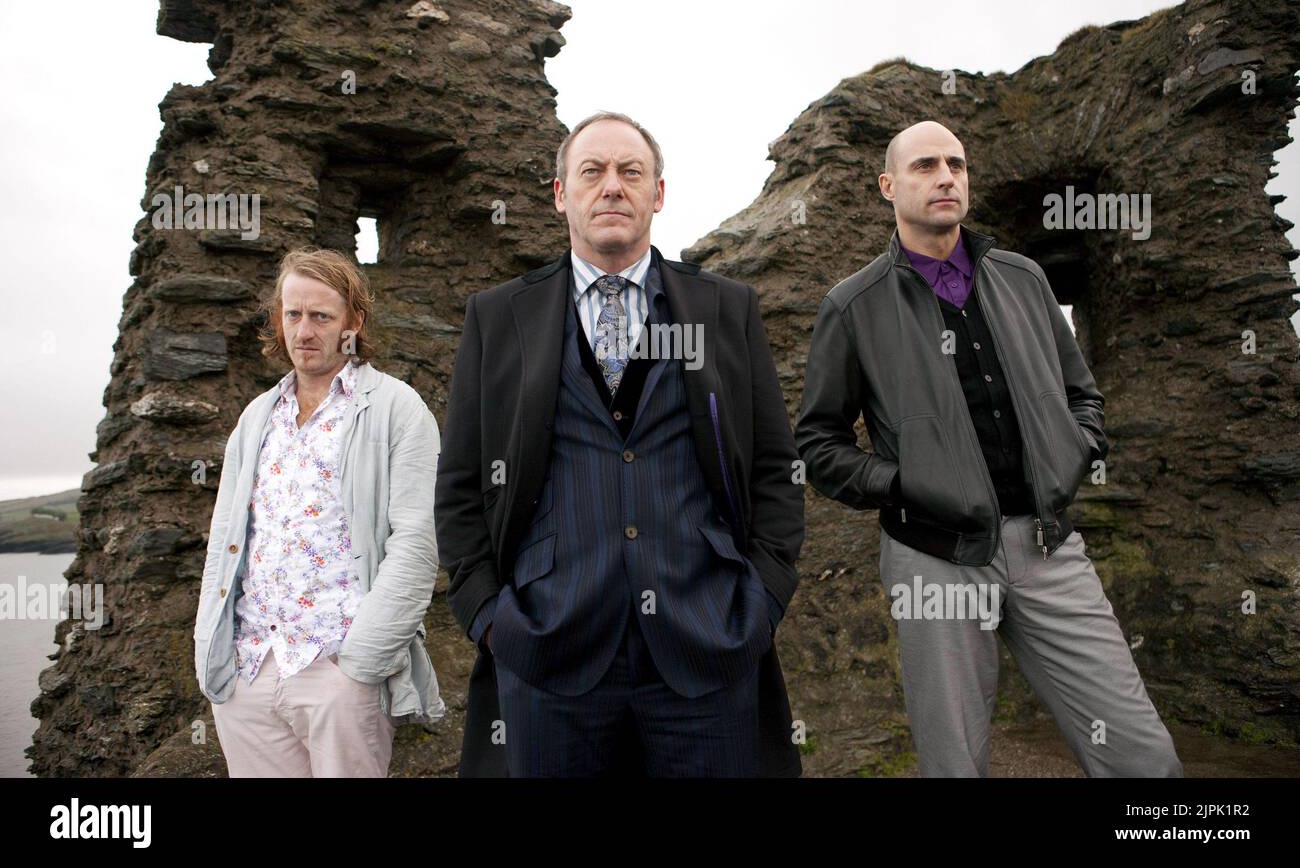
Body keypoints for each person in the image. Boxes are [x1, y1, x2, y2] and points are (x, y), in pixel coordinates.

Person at [795, 120, 1182, 777]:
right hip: (933, 560)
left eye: (956, 164)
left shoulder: (1023, 279)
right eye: (924, 166)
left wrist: (1074, 452)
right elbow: (818, 442)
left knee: (1143, 757)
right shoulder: (853, 305)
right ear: (889, 186)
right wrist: (903, 483)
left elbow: (1081, 394)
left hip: (1049, 548)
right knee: (956, 766)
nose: (946, 176)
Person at [436, 111, 804, 777]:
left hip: (707, 644)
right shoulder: (498, 317)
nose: (613, 187)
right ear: (560, 194)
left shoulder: (724, 308)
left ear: (657, 193)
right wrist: (489, 617)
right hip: (550, 651)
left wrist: (763, 601)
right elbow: (461, 479)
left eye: (630, 172)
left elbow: (776, 467)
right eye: (593, 172)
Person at [193, 247, 445, 777]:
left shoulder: (398, 410)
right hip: (251, 667)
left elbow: (415, 543)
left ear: (354, 320)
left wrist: (359, 667)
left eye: (321, 316)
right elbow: (225, 540)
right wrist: (214, 657)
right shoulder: (257, 417)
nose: (303, 331)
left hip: (338, 668)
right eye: (292, 315)